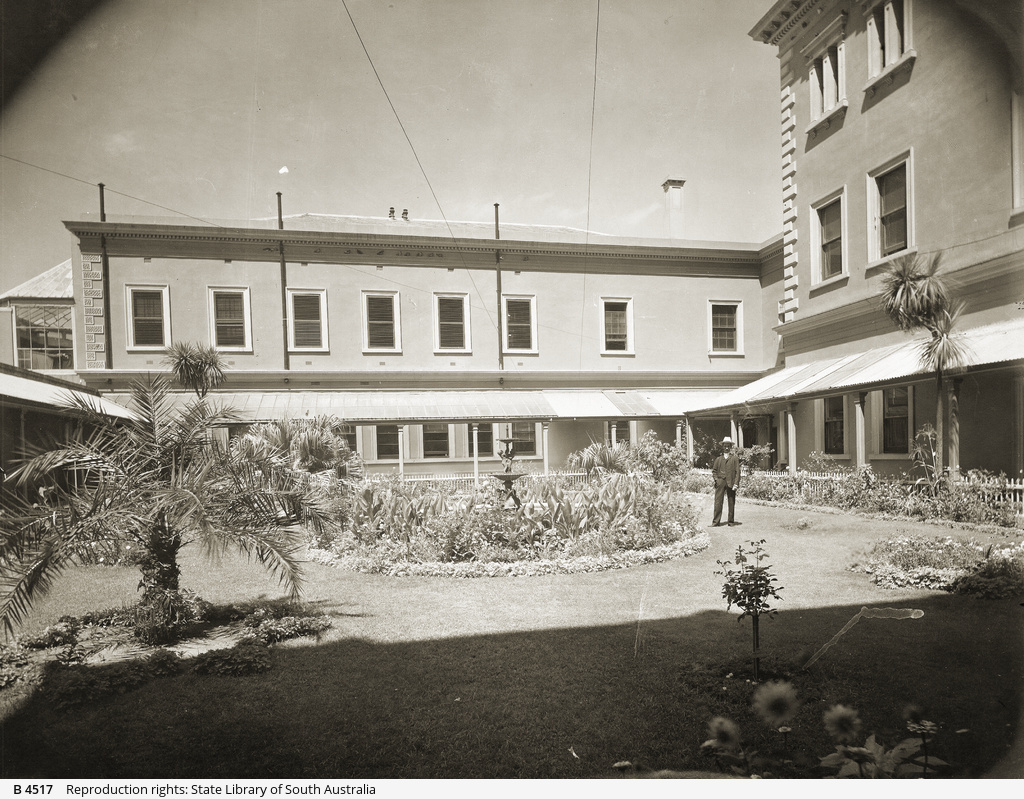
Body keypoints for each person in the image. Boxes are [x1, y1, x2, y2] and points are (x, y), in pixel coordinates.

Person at [711, 436, 741, 527]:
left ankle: (731, 522)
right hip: (720, 482)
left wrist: (736, 483)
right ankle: (716, 522)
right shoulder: (718, 459)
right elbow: (714, 471)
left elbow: (737, 472)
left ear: (730, 447)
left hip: (731, 483)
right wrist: (717, 480)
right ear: (723, 447)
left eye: (728, 446)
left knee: (731, 502)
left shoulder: (734, 459)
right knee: (718, 502)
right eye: (725, 446)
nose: (727, 448)